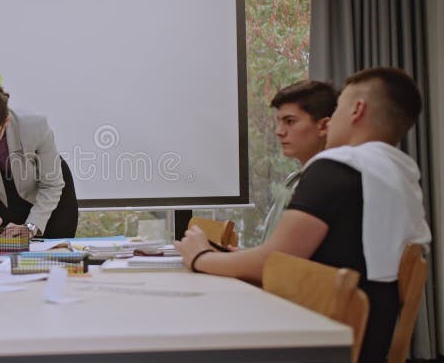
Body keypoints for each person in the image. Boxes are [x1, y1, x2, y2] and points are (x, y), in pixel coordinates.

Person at [175, 67, 431, 362]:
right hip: (365, 338)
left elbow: (271, 262)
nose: (331, 120)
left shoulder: (337, 168)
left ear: (357, 109)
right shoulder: (399, 174)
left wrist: (200, 257)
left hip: (318, 338)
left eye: (340, 108)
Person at [0, 86, 78, 238]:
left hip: (49, 192)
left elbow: (52, 184)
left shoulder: (35, 125)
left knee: (54, 253)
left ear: (6, 121)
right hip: (6, 193)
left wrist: (31, 226)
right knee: (10, 252)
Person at [258, 80, 337, 243]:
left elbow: (280, 261)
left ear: (323, 126)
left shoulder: (327, 183)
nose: (279, 132)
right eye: (279, 121)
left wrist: (201, 255)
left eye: (290, 122)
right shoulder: (294, 180)